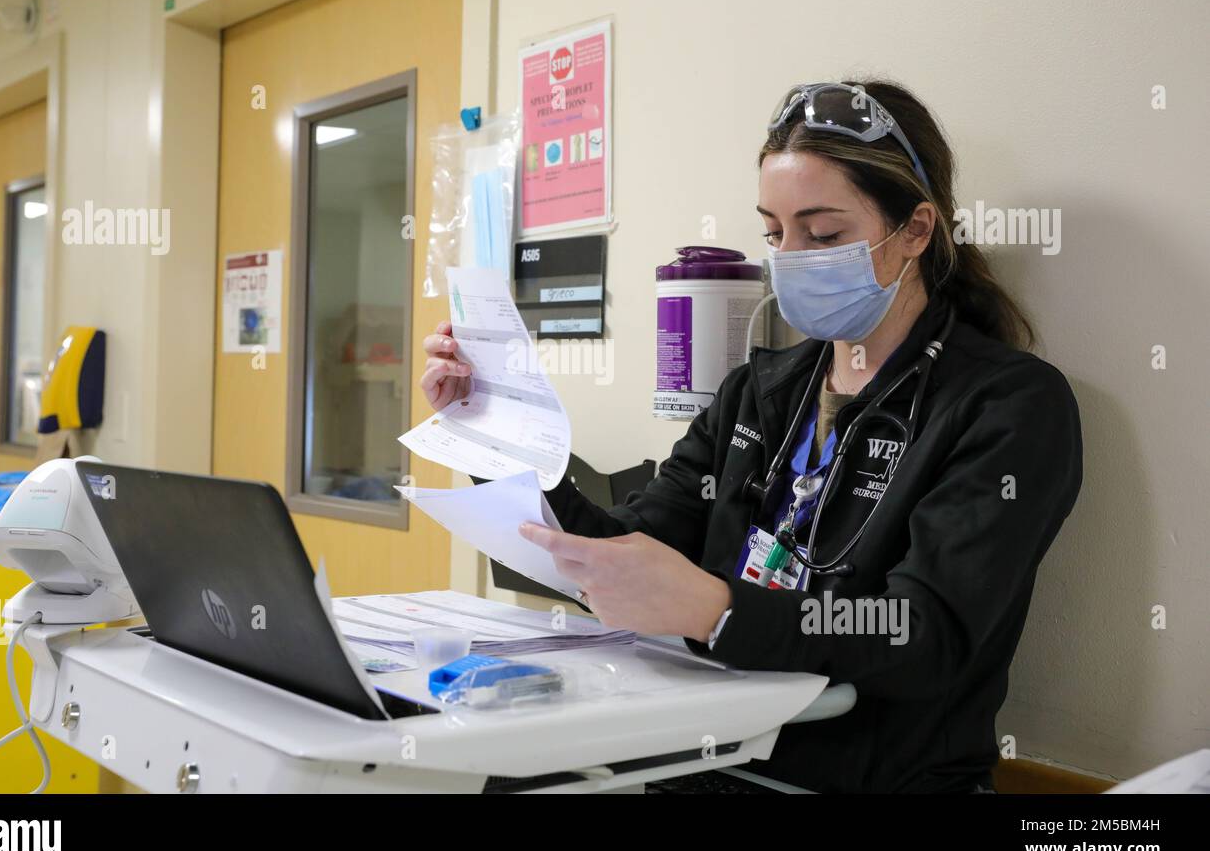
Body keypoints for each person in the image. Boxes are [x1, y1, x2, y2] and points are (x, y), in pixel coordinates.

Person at [419, 80, 1083, 793]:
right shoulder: (760, 392)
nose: (790, 257)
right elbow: (617, 553)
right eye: (774, 232)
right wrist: (491, 427)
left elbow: (925, 635)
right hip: (701, 762)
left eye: (823, 234)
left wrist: (715, 608)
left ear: (916, 231)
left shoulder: (1006, 405)